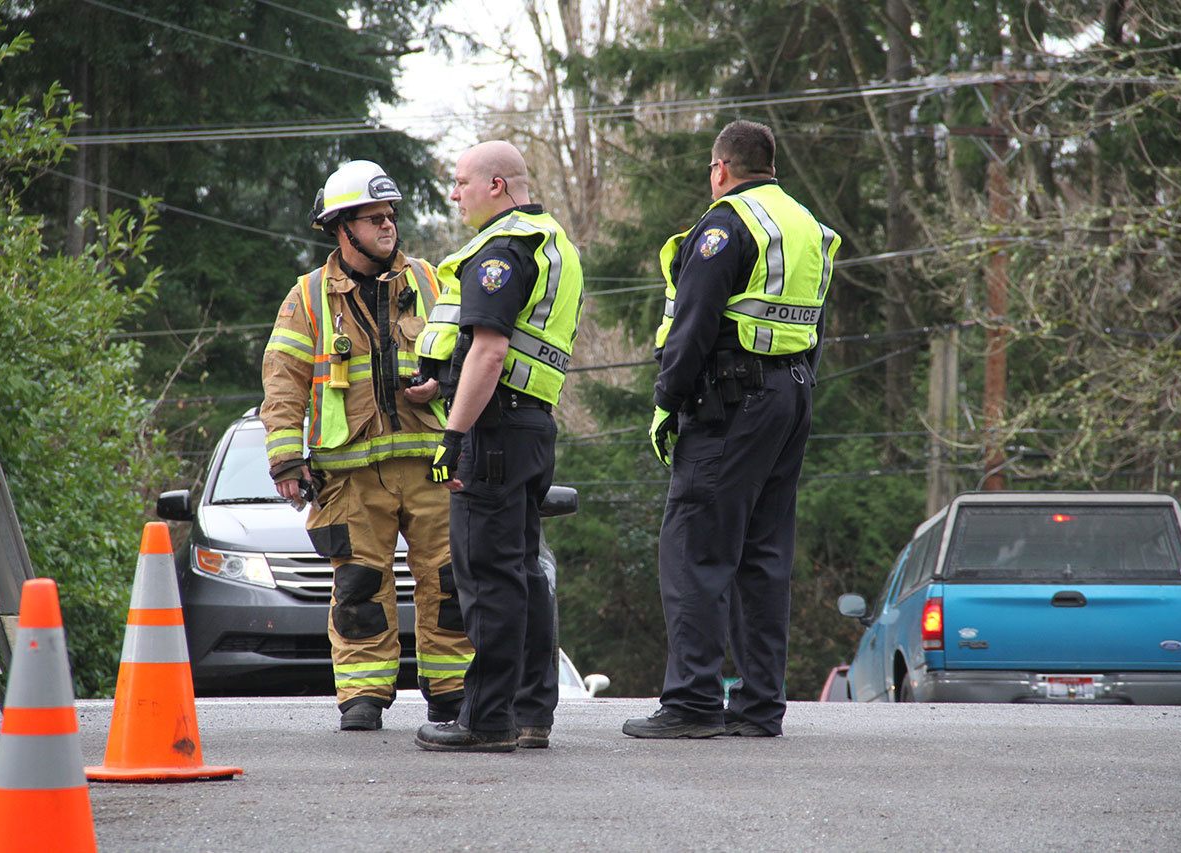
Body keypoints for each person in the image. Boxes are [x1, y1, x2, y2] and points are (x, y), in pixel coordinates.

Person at [622, 120, 839, 739]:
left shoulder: (724, 225)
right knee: (764, 557)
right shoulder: (807, 226)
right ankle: (759, 706)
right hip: (791, 395)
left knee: (696, 550)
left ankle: (691, 704)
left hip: (731, 402)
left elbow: (691, 326)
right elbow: (814, 324)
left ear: (720, 170)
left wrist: (669, 399)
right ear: (769, 165)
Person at [260, 160, 475, 732]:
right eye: (373, 217)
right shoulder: (306, 297)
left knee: (449, 580)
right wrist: (285, 458)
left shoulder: (432, 283)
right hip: (350, 476)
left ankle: (452, 695)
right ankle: (362, 696)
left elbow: (471, 355)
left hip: (433, 464)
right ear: (340, 227)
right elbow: (283, 380)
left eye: (390, 216)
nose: (387, 226)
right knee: (359, 585)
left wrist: (444, 383)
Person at [412, 141, 584, 753]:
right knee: (524, 571)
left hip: (491, 431)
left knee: (487, 575)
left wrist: (453, 434)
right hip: (531, 424)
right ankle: (531, 712)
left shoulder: (502, 250)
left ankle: (486, 720)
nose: (454, 194)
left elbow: (490, 349)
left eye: (461, 182)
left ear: (498, 186)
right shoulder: (551, 241)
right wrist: (442, 381)